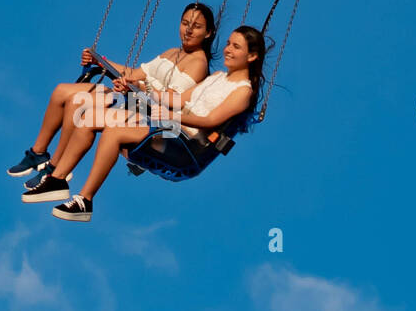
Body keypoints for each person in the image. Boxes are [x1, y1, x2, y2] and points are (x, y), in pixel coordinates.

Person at [22, 26, 267, 222]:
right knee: (90, 117)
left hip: (185, 144)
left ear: (252, 56)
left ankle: (85, 200)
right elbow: (180, 100)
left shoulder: (243, 91)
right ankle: (57, 179)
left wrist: (173, 116)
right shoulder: (216, 77)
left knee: (115, 131)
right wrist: (145, 91)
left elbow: (210, 121)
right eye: (228, 44)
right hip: (168, 126)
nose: (228, 50)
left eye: (236, 47)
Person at [5, 3, 216, 180]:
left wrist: (141, 88)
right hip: (131, 97)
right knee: (62, 91)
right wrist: (100, 60)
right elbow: (134, 73)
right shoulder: (172, 52)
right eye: (185, 23)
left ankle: (55, 166)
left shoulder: (198, 63)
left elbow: (170, 100)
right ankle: (38, 153)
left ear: (208, 33)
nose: (188, 30)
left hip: (147, 115)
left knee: (79, 102)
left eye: (196, 27)